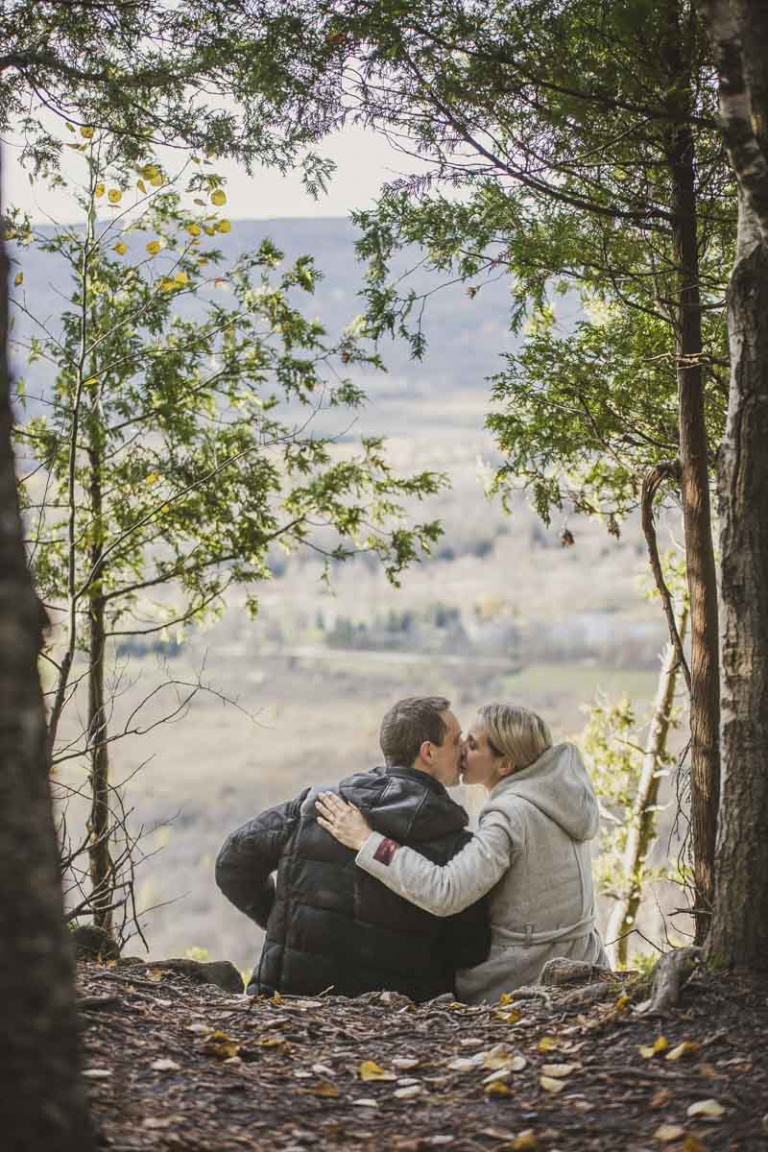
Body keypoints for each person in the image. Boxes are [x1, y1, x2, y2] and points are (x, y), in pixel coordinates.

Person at [317, 702, 608, 1003]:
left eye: (472, 745)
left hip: (524, 977)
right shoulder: (558, 798)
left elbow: (446, 890)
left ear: (504, 765)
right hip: (586, 961)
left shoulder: (509, 816)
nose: (460, 752)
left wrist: (368, 841)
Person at [215, 696, 490, 1001]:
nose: (463, 750)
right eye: (455, 741)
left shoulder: (317, 805)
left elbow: (233, 863)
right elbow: (470, 949)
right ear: (428, 752)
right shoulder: (456, 844)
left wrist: (284, 925)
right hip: (395, 1020)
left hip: (282, 999)